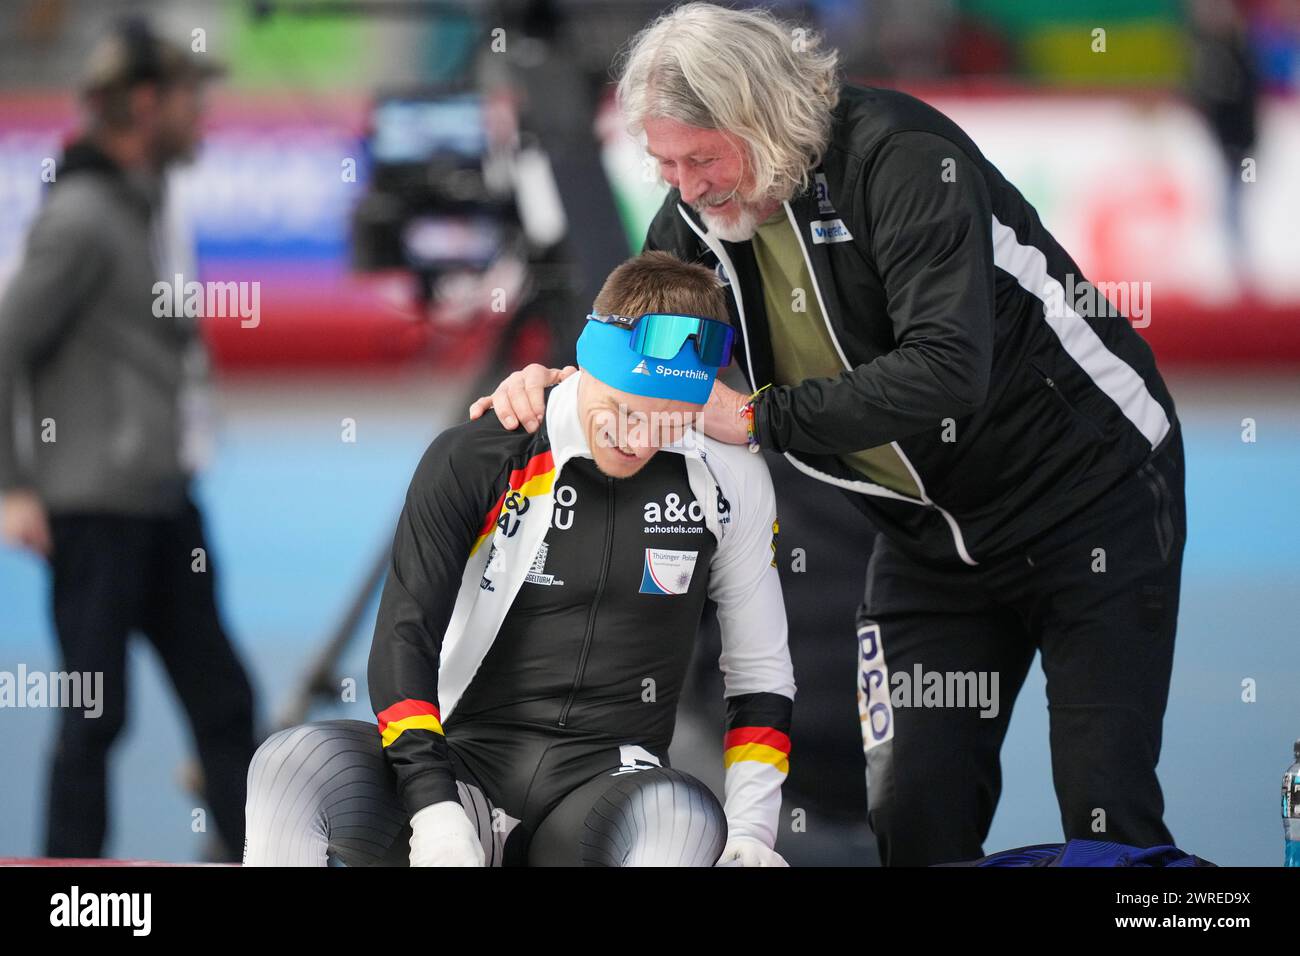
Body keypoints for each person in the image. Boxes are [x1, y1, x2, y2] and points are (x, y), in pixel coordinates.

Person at [471, 2, 1186, 866]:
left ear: (763, 116)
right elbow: (630, 360)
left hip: (1090, 501)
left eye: (702, 158)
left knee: (1105, 811)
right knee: (915, 816)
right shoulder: (695, 216)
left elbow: (945, 370)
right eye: (664, 164)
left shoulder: (904, 161)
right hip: (929, 540)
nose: (685, 187)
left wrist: (757, 418)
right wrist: (555, 391)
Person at [243, 251, 795, 867]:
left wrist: (752, 833)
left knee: (681, 821)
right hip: (459, 773)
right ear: (587, 361)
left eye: (670, 423)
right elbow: (404, 638)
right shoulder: (482, 453)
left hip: (608, 799)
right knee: (290, 765)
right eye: (623, 409)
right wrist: (434, 811)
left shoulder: (730, 476)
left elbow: (758, 673)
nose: (638, 439)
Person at [0, 19, 256, 860]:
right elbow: (5, 345)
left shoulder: (138, 204)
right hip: (97, 516)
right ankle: (68, 889)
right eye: (189, 97)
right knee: (94, 718)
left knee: (222, 702)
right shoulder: (81, 218)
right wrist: (14, 485)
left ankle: (262, 852)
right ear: (145, 103)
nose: (202, 114)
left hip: (159, 505)